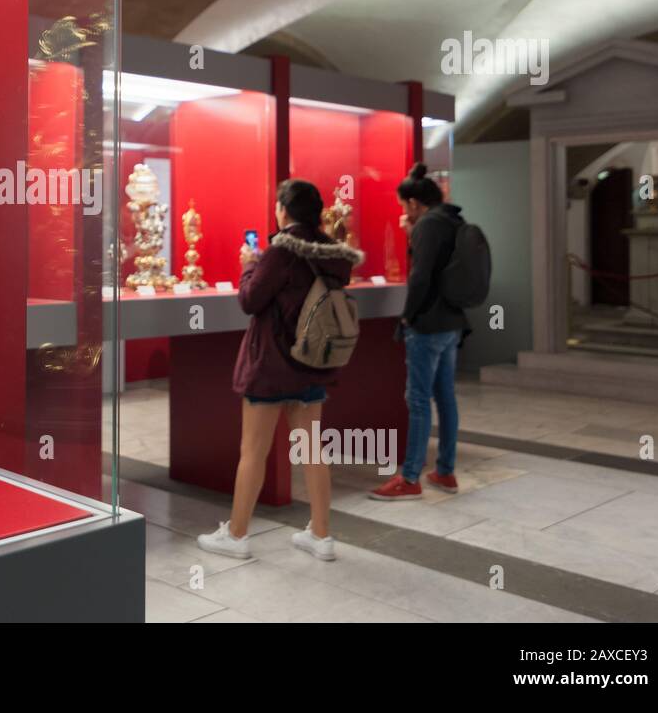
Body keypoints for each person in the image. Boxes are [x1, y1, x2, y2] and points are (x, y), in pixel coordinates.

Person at [198, 179, 364, 562]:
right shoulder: (334, 252)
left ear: (283, 211)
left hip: (271, 364)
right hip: (313, 361)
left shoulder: (279, 251)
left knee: (253, 451)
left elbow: (250, 300)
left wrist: (247, 267)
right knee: (312, 449)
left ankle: (237, 535)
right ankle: (321, 536)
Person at [369, 163, 469, 501]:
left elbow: (422, 276)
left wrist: (408, 317)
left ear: (413, 203)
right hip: (453, 322)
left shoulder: (428, 225)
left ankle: (410, 477)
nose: (403, 212)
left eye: (403, 205)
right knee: (445, 398)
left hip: (428, 325)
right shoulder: (455, 220)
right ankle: (445, 470)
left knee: (418, 400)